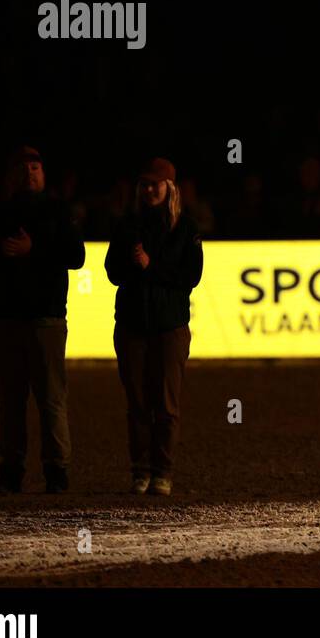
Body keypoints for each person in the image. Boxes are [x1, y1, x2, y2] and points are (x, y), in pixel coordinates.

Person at [0, 146, 85, 494]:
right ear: (13, 176)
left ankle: (56, 470)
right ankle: (12, 469)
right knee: (12, 401)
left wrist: (33, 250)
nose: (31, 172)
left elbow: (76, 256)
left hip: (46, 319)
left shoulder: (57, 210)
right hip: (8, 319)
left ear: (44, 173)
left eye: (36, 166)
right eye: (24, 167)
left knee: (50, 398)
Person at [105, 158, 203, 495]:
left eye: (155, 184)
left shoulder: (186, 229)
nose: (149, 190)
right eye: (144, 184)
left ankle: (162, 471)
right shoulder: (126, 225)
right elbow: (112, 271)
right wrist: (133, 266)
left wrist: (150, 266)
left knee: (166, 404)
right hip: (132, 326)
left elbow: (191, 277)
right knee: (137, 403)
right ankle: (140, 470)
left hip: (169, 328)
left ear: (169, 187)